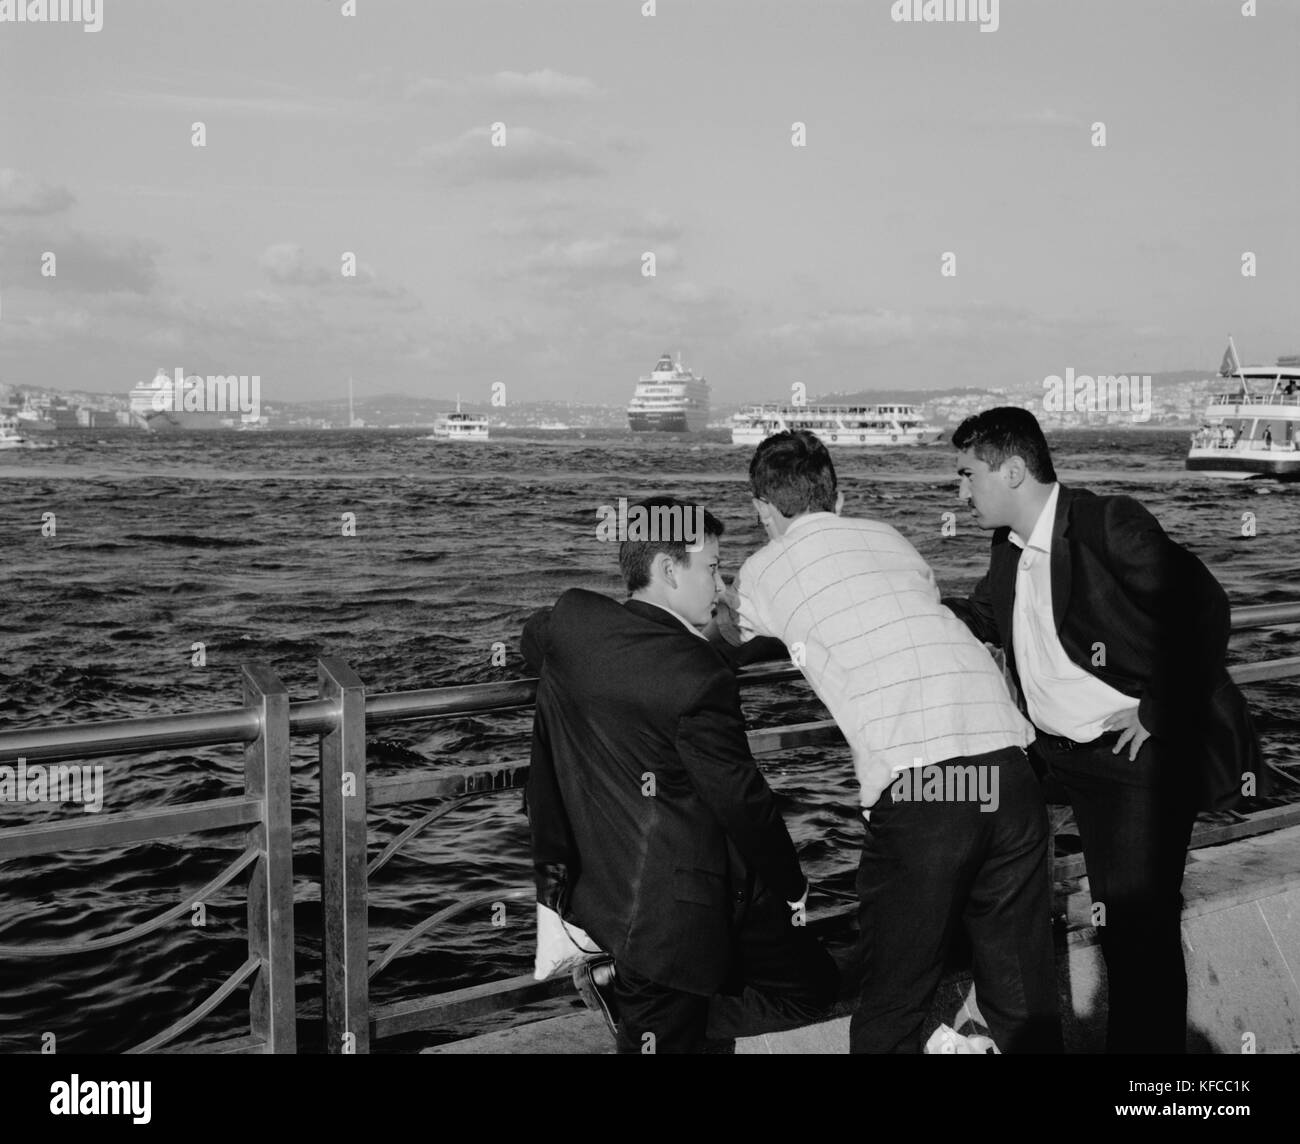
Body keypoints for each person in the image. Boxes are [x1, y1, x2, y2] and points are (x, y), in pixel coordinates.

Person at [711, 432, 1062, 1055]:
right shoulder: (889, 538)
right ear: (838, 498)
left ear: (763, 509)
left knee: (892, 1007)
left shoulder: (765, 568)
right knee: (1022, 995)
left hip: (928, 783)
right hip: (1009, 765)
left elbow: (726, 637)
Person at [943, 407, 1262, 1054]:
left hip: (1131, 762)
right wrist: (905, 598)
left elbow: (1203, 605)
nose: (960, 492)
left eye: (967, 474)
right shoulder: (1009, 546)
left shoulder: (1103, 523)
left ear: (1012, 469)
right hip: (1059, 760)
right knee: (954, 814)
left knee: (1137, 932)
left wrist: (1157, 709)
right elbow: (980, 613)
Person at [522, 495, 839, 1054]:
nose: (720, 588)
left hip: (602, 887)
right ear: (669, 570)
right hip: (668, 923)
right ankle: (653, 1005)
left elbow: (535, 636)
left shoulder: (575, 622)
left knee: (800, 986)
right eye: (713, 569)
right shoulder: (700, 676)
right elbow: (743, 801)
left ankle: (655, 1001)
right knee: (803, 992)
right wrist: (795, 887)